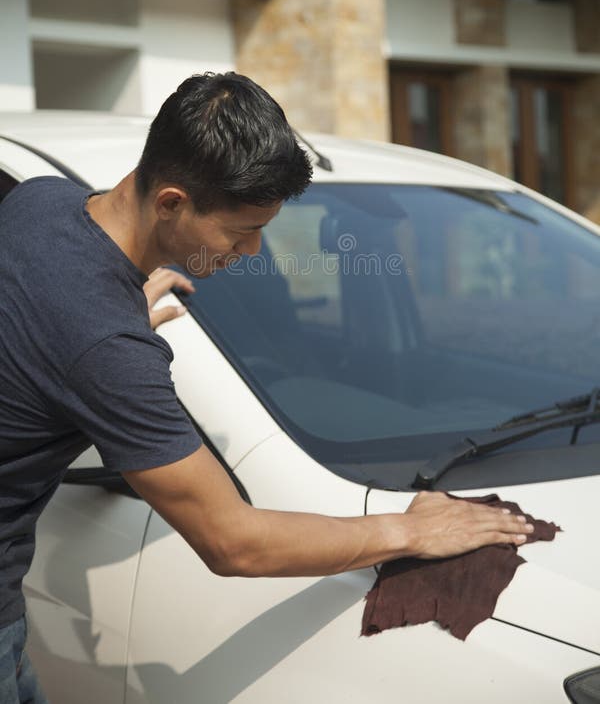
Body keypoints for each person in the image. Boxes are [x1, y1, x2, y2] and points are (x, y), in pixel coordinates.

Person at [0, 72, 533, 703]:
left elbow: (36, 305)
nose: (253, 251)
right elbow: (232, 542)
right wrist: (409, 530)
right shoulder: (108, 350)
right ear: (170, 202)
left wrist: (87, 323)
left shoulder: (39, 201)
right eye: (239, 230)